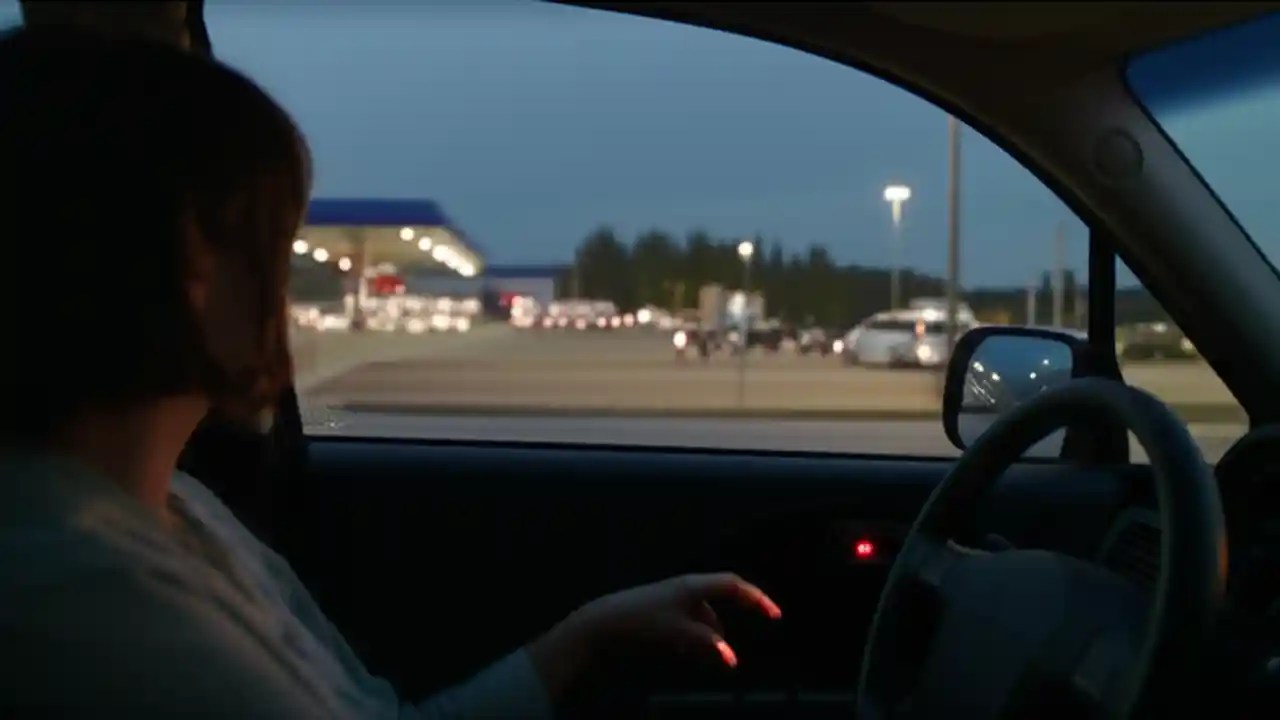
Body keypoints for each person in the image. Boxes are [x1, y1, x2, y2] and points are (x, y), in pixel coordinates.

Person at [0, 26, 781, 717]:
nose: (286, 287)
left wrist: (580, 641)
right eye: (269, 240)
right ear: (186, 259)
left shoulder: (175, 510)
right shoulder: (74, 593)